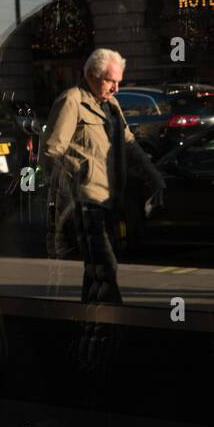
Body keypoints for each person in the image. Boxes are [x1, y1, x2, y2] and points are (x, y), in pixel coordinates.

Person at [41, 47, 165, 305]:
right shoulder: (72, 101)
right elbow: (52, 153)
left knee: (97, 270)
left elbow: (130, 145)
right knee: (106, 267)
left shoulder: (112, 105)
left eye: (119, 81)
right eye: (110, 80)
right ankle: (115, 321)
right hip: (86, 202)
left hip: (111, 199)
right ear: (91, 75)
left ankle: (91, 321)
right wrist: (71, 192)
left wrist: (155, 178)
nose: (116, 88)